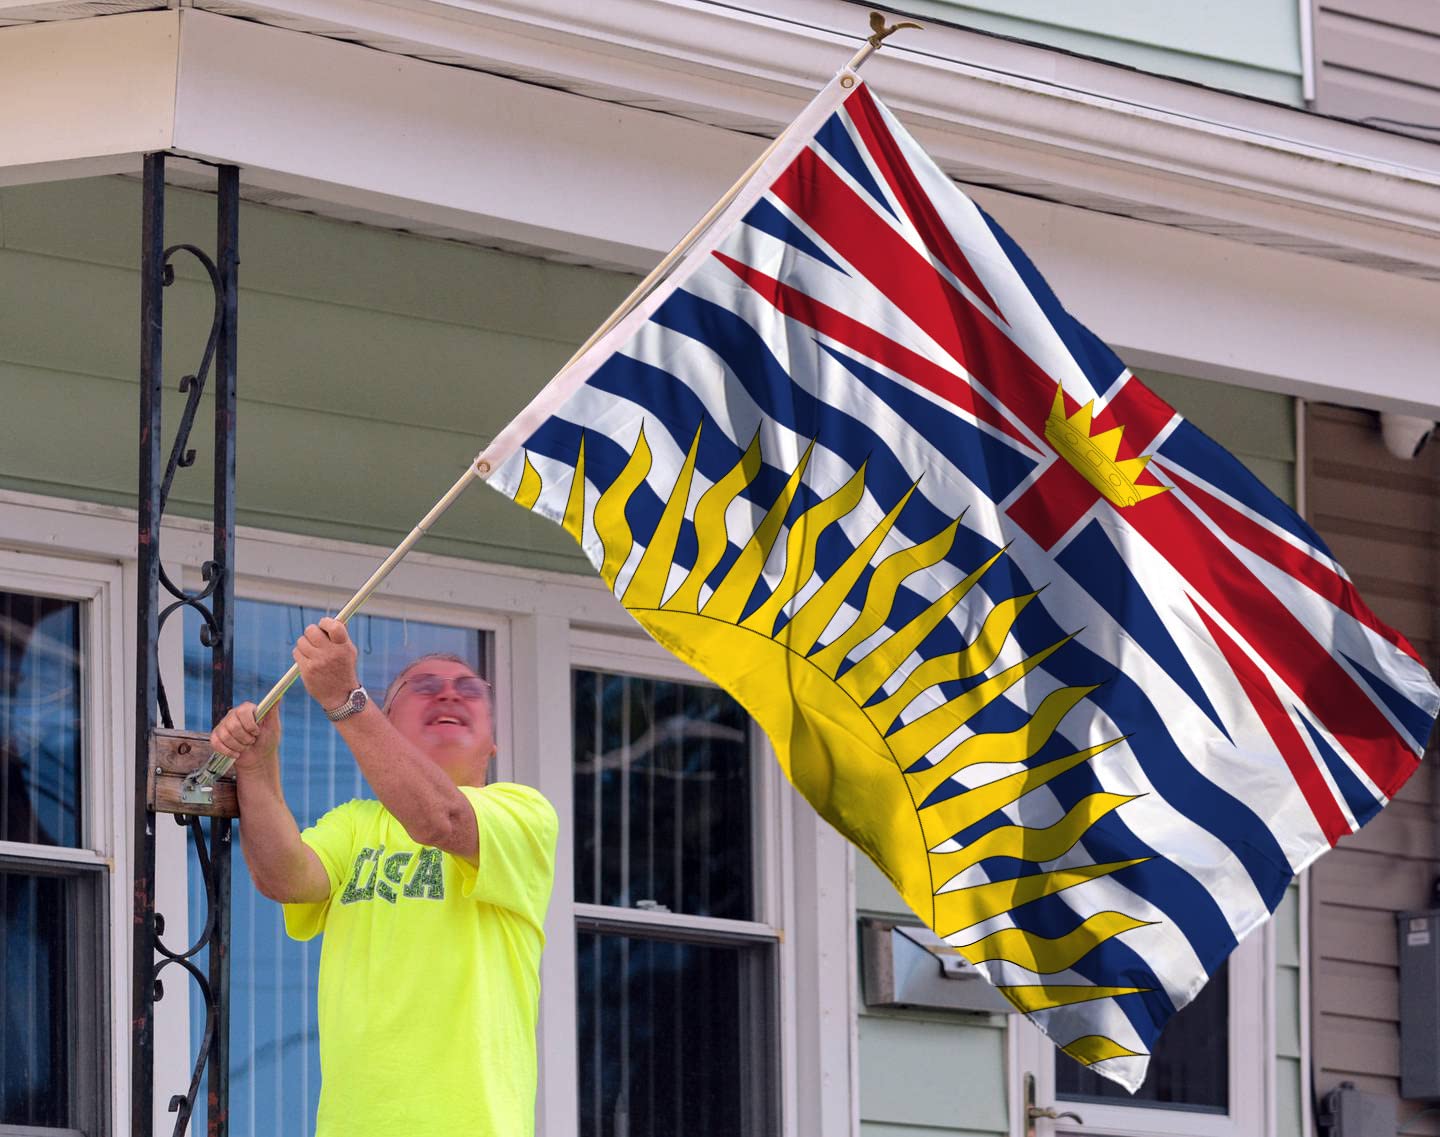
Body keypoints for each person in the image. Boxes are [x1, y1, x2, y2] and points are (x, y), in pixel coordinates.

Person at [209, 616, 557, 1137]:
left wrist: (345, 699)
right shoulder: (354, 824)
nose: (449, 695)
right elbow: (286, 878)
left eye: (470, 690)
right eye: (423, 687)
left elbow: (442, 820)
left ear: (493, 742)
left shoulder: (524, 813)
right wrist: (258, 768)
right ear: (387, 724)